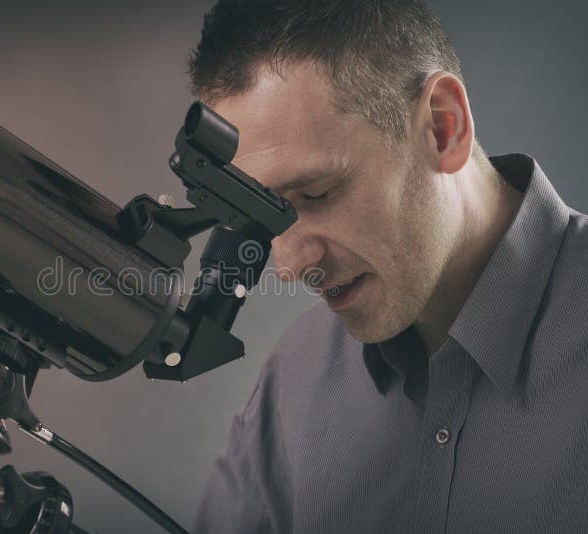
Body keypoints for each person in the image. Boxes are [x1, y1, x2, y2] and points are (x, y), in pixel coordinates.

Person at [188, 1, 588, 533]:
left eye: (316, 193)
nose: (285, 265)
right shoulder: (293, 383)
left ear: (444, 126)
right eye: (256, 218)